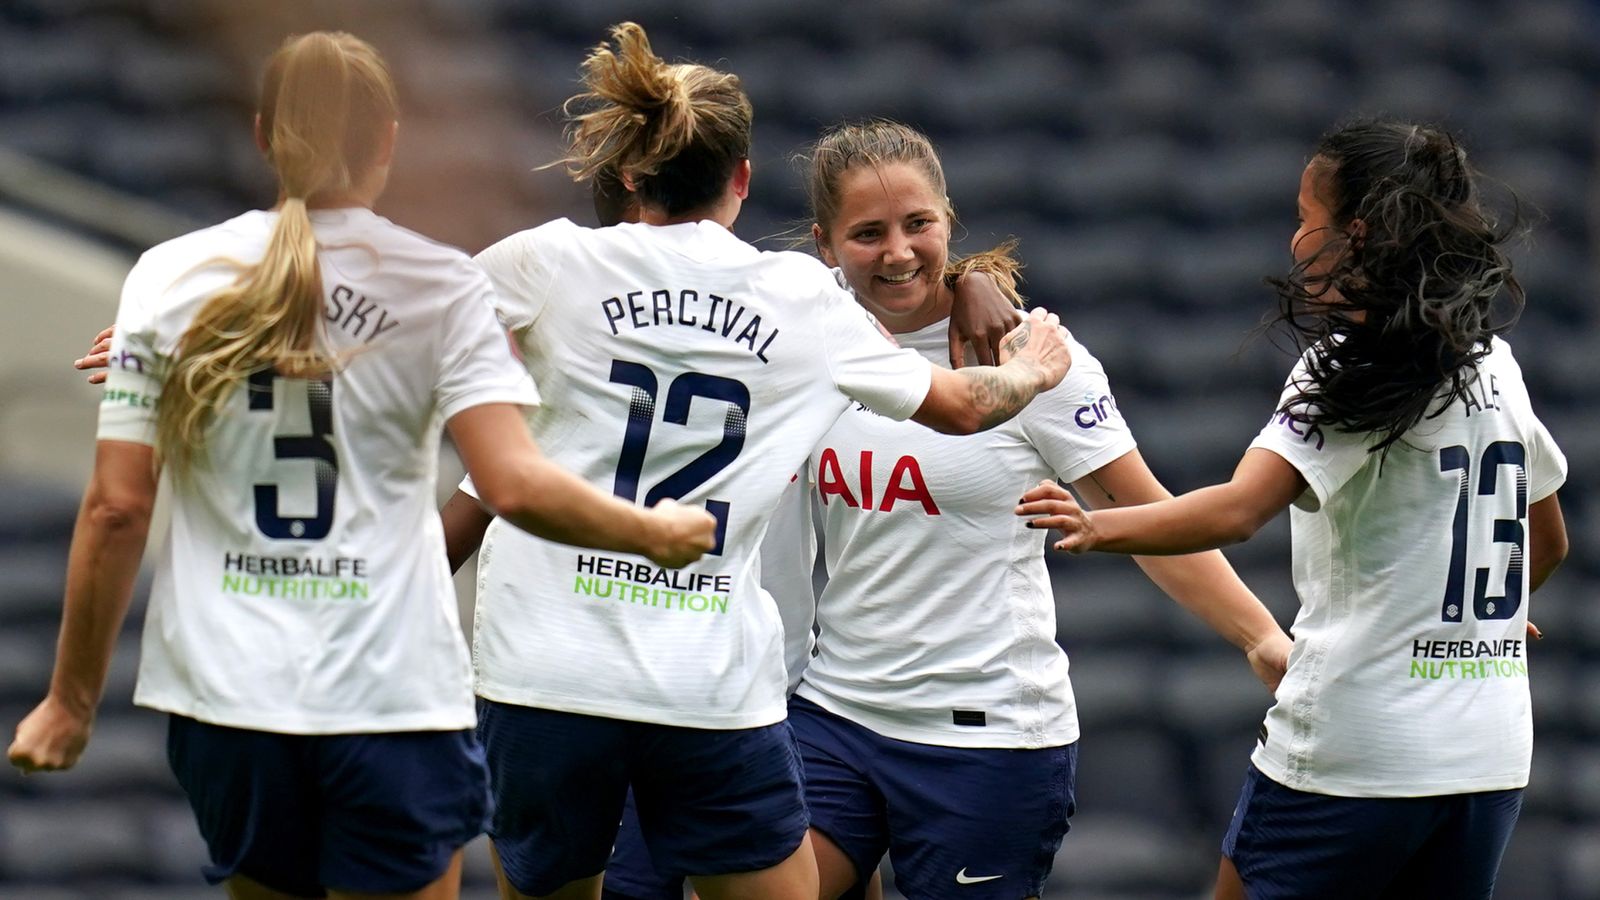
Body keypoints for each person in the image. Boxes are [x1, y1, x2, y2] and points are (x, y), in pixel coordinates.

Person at [7, 30, 716, 900]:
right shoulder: (438, 284)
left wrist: (70, 703)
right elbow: (513, 484)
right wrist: (650, 531)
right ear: (388, 140)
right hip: (390, 697)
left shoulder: (168, 277)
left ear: (263, 134)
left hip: (229, 698)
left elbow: (116, 510)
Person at [458, 22, 1072, 900]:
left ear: (631, 173)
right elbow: (965, 406)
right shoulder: (798, 298)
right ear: (742, 179)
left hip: (544, 672)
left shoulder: (546, 261)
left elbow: (403, 328)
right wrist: (1031, 366)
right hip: (707, 685)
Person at [718, 119, 1282, 900]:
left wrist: (1260, 637)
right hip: (836, 714)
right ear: (824, 244)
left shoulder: (1034, 359)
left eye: (918, 224)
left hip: (986, 736)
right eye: (868, 233)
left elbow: (1148, 514)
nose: (898, 252)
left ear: (949, 220)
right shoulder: (809, 348)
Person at [1018, 120, 1568, 899]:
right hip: (1489, 752)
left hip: (1357, 747)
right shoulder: (1496, 366)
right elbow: (1548, 543)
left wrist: (1095, 524)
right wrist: (1482, 617)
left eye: (1305, 217)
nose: (1295, 238)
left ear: (1356, 234)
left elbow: (1239, 511)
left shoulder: (1344, 373)